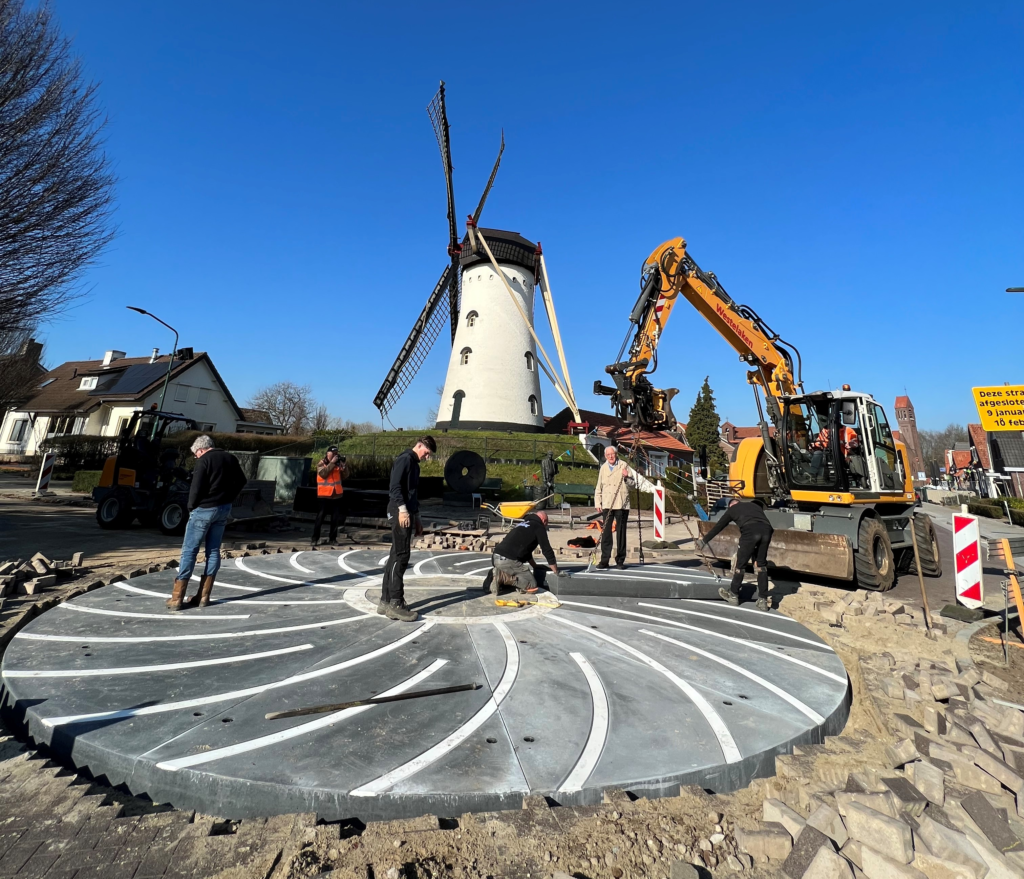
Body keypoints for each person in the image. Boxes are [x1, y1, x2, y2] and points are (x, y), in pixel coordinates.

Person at [167, 436, 248, 611]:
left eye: (196, 454)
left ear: (201, 450)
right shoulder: (230, 458)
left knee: (190, 550)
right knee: (213, 550)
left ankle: (177, 598)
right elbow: (242, 481)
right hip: (223, 509)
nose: (196, 457)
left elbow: (196, 487)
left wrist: (191, 506)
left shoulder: (204, 461)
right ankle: (204, 596)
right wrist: (229, 498)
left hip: (203, 509)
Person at [380, 436, 436, 622]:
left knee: (396, 554)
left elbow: (413, 493)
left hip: (405, 511)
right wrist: (403, 511)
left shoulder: (414, 465)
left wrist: (417, 517)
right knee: (402, 556)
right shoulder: (404, 460)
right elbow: (395, 487)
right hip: (398, 511)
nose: (427, 457)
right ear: (419, 445)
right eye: (426, 453)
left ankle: (385, 600)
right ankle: (396, 603)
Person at [695, 498, 774, 611]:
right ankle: (763, 600)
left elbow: (719, 526)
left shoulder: (732, 510)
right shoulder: (754, 506)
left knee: (740, 565)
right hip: (767, 531)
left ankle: (733, 594)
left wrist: (703, 541)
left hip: (750, 532)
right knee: (761, 566)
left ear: (731, 505)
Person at [487, 510, 559, 594]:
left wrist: (535, 565)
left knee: (517, 579)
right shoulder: (539, 526)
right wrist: (555, 571)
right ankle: (503, 577)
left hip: (495, 558)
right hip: (508, 560)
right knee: (531, 585)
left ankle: (498, 573)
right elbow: (547, 549)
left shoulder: (522, 524)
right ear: (544, 521)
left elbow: (525, 551)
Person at [594, 445, 634, 569]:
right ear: (605, 456)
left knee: (621, 533)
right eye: (608, 455)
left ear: (616, 454)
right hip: (607, 503)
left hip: (621, 504)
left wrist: (627, 477)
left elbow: (632, 485)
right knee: (606, 533)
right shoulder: (603, 468)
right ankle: (604, 560)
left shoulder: (624, 465)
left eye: (612, 454)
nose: (611, 456)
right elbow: (599, 486)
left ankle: (620, 560)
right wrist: (598, 502)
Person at [312, 445, 349, 546]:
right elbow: (323, 474)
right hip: (324, 495)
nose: (335, 456)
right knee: (320, 518)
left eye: (336, 454)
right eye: (333, 454)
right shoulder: (321, 463)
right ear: (327, 454)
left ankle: (333, 539)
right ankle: (315, 539)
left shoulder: (337, 464)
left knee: (335, 519)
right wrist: (332, 463)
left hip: (336, 495)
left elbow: (345, 476)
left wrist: (344, 468)